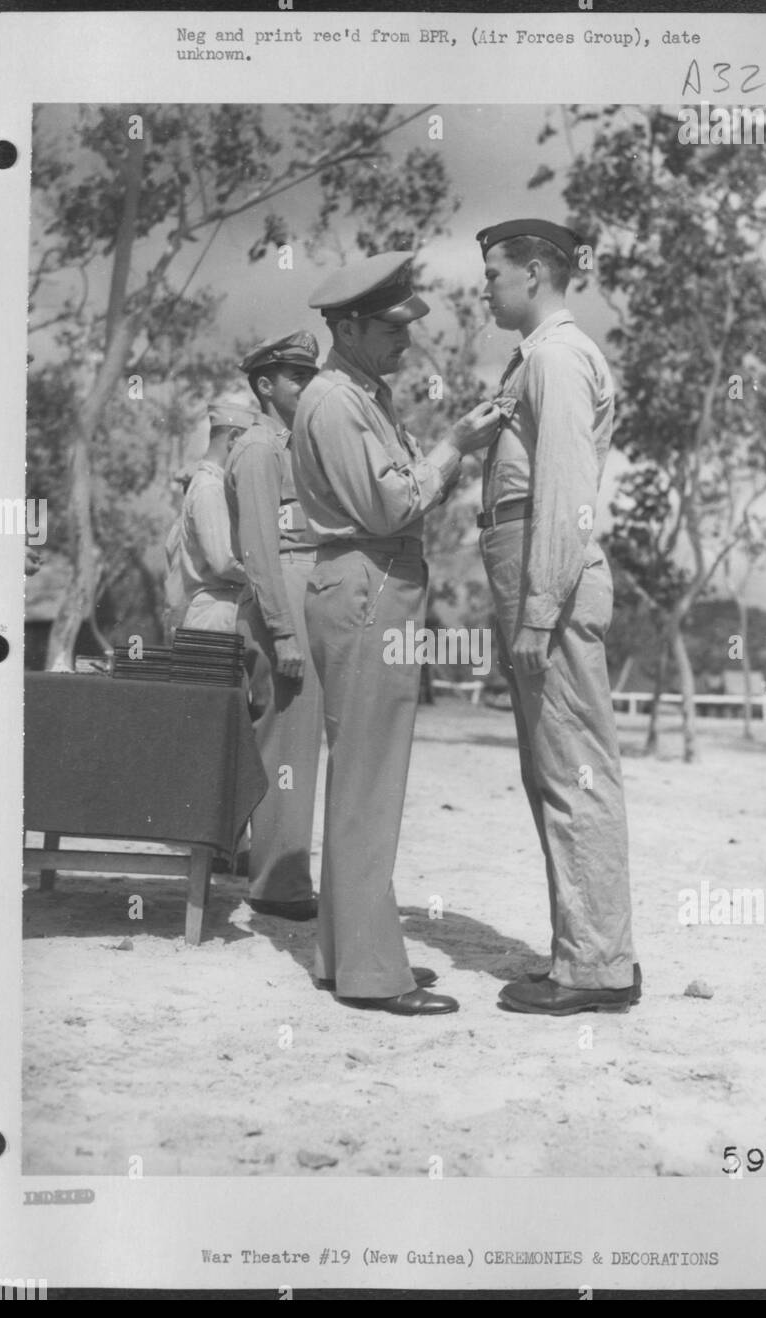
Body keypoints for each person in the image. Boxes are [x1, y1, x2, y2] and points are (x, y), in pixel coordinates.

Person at [293, 250, 501, 1016]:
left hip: (371, 582)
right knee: (370, 781)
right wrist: (453, 448)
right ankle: (373, 973)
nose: (406, 340)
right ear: (347, 326)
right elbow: (390, 506)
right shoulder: (336, 400)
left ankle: (345, 955)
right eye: (390, 327)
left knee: (361, 774)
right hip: (368, 581)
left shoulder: (361, 394)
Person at [474, 218, 640, 1016]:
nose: (485, 287)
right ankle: (584, 951)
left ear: (535, 273)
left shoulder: (557, 357)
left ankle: (598, 968)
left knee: (575, 772)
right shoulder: (537, 357)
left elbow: (567, 494)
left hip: (552, 577)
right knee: (554, 772)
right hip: (532, 569)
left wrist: (539, 610)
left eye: (494, 273)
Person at [224, 332, 324, 920]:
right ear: (264, 385)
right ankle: (278, 886)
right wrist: (284, 631)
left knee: (297, 745)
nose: (307, 386)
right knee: (285, 744)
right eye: (296, 378)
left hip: (298, 586)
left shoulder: (291, 445)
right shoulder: (259, 448)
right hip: (278, 594)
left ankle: (281, 877)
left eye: (310, 376)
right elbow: (260, 548)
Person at [165, 404, 260, 636]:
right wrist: (266, 577)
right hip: (217, 614)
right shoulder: (210, 488)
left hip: (225, 608)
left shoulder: (217, 486)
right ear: (234, 438)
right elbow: (223, 563)